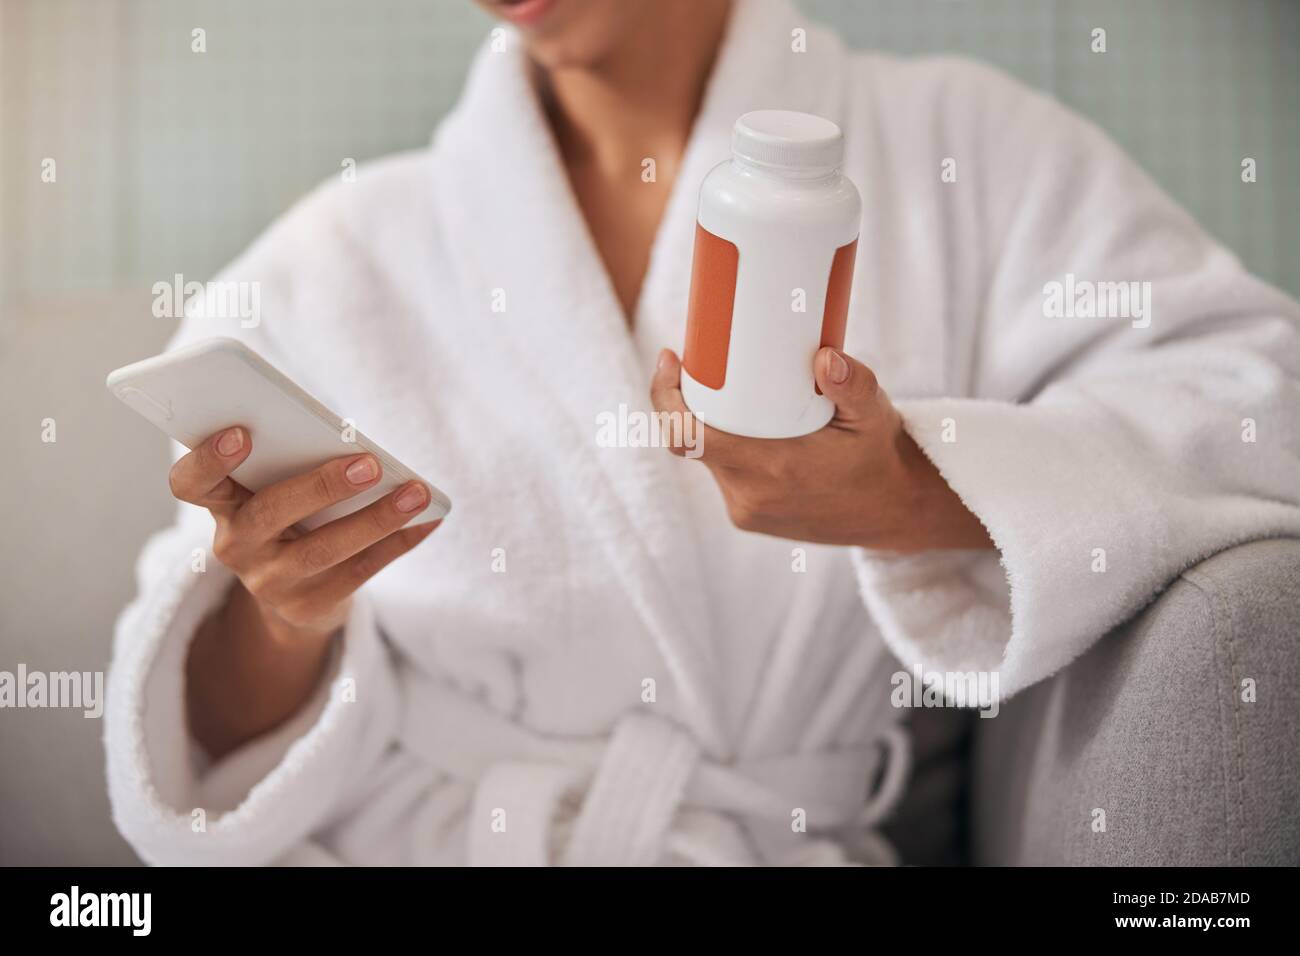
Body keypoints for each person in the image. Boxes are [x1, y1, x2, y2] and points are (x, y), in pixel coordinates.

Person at [105, 0, 1300, 865]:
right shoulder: (333, 259)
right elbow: (211, 749)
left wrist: (914, 493)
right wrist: (282, 609)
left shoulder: (961, 149)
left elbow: (1260, 388)